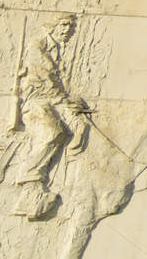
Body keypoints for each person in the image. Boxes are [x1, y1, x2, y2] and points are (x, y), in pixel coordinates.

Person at [12, 14, 90, 221]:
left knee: (79, 126)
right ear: (52, 26)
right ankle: (30, 189)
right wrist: (65, 101)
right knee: (51, 133)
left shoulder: (57, 49)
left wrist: (72, 102)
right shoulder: (37, 48)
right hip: (35, 101)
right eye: (64, 25)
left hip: (52, 101)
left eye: (71, 27)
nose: (68, 30)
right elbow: (46, 81)